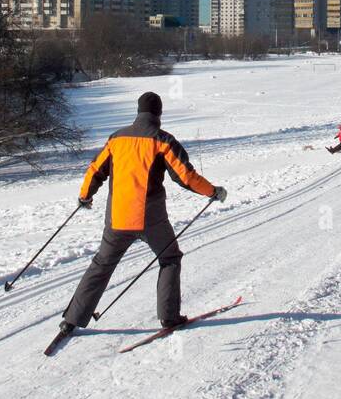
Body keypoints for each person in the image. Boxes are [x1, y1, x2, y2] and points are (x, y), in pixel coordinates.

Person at [57, 91, 228, 335]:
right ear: (159, 113)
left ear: (138, 112)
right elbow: (186, 176)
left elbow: (95, 169)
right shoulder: (163, 140)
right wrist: (213, 191)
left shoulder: (116, 139)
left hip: (118, 218)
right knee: (169, 258)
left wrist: (85, 196)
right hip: (151, 219)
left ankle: (72, 319)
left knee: (101, 264)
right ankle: (169, 318)